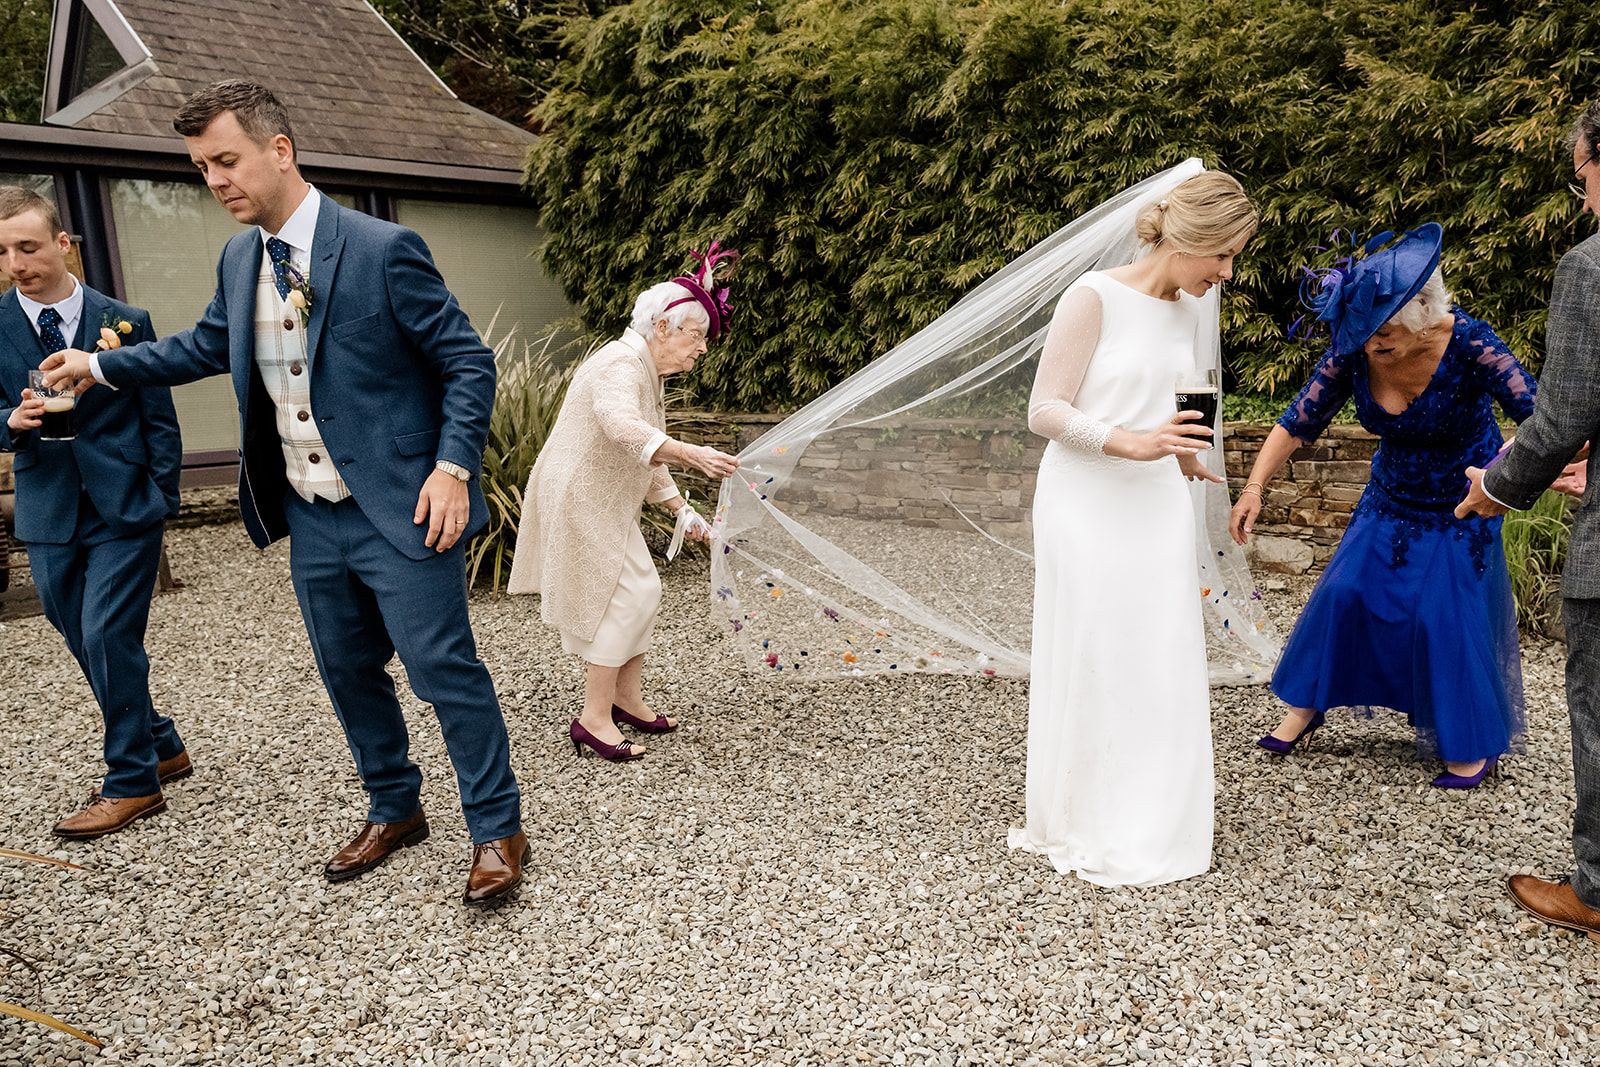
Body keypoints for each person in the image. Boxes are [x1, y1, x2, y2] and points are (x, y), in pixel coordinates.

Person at [41, 80, 525, 905]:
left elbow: (466, 361)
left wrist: (452, 467)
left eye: (225, 160)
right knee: (347, 671)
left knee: (443, 670)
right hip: (310, 512)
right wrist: (99, 365)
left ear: (279, 150)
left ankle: (496, 826)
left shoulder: (381, 247)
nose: (216, 180)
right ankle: (394, 806)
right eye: (201, 169)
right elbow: (202, 345)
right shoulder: (238, 258)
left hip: (403, 505)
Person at [1007, 170, 1257, 886]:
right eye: (1224, 255)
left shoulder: (1190, 310)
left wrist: (1186, 459)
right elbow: (1045, 411)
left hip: (1157, 503)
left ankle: (1151, 812)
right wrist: (1134, 441)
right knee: (1098, 648)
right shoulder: (1092, 297)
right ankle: (1086, 811)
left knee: (1159, 652)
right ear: (1191, 239)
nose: (1227, 273)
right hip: (1085, 500)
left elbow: (1184, 409)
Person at [1233, 224, 1541, 788]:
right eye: (1363, 335)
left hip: (1462, 503)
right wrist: (1252, 488)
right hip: (1390, 498)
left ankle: (1467, 739)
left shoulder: (1471, 342)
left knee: (1442, 617)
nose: (1373, 345)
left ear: (1423, 313)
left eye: (1385, 333)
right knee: (1343, 594)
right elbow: (1298, 420)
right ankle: (1307, 708)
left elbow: (1539, 418)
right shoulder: (1354, 352)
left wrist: (1506, 470)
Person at [0, 186, 186, 838]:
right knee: (78, 629)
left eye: (27, 246)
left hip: (124, 505)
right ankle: (161, 739)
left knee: (107, 632)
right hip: (48, 508)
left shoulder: (126, 319)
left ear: (63, 243)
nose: (15, 262)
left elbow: (157, 415)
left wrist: (162, 496)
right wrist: (9, 421)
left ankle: (133, 779)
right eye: (3, 251)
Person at [1458, 98, 1600, 938]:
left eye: (1582, 178)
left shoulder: (1591, 267)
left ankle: (1594, 888)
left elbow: (1563, 413)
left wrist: (1497, 489)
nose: (1583, 200)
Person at [508, 251, 741, 760]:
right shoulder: (619, 363)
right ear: (662, 326)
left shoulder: (644, 369)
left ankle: (624, 699)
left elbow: (643, 447)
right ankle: (594, 717)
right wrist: (690, 453)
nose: (701, 350)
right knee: (629, 594)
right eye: (696, 337)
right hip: (580, 495)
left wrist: (680, 508)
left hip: (600, 496)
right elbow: (622, 428)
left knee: (642, 590)